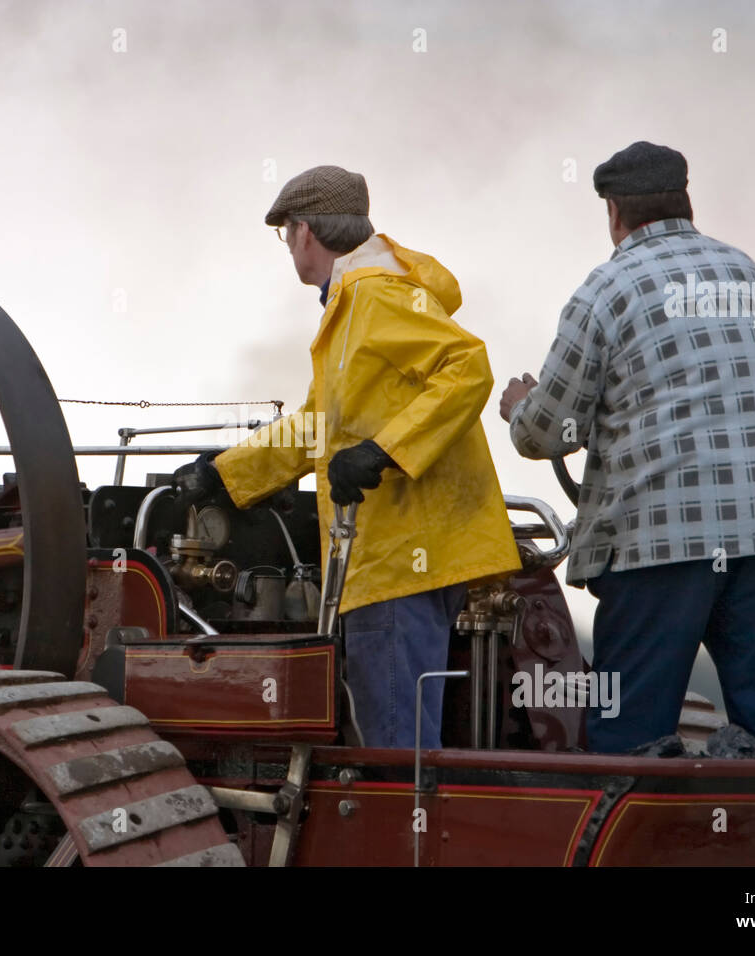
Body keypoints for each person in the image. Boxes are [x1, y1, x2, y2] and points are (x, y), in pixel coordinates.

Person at [499, 141, 755, 758]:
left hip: (660, 545)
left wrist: (522, 402)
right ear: (684, 198)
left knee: (631, 739)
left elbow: (546, 434)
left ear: (614, 213)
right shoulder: (748, 274)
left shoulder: (607, 288)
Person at [174, 164, 521, 748]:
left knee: (395, 749)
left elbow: (468, 370)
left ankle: (406, 834)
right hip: (414, 551)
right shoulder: (353, 306)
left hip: (395, 558)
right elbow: (318, 429)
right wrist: (223, 476)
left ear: (304, 231)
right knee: (403, 738)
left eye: (285, 234)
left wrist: (382, 452)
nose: (288, 249)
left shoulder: (373, 298)